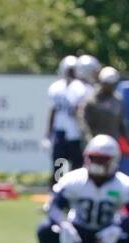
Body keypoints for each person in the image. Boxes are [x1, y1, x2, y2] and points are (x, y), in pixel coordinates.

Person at [44, 55, 83, 187]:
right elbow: (53, 111)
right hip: (60, 132)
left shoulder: (80, 87)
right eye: (69, 70)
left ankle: (75, 195)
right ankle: (57, 196)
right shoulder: (56, 88)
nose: (70, 73)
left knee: (78, 168)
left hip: (76, 133)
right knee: (59, 166)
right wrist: (48, 134)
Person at [77, 67, 129, 151]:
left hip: (112, 145)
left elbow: (122, 123)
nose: (110, 87)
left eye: (112, 84)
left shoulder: (118, 101)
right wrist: (89, 140)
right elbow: (83, 122)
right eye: (107, 84)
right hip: (94, 145)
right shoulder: (91, 101)